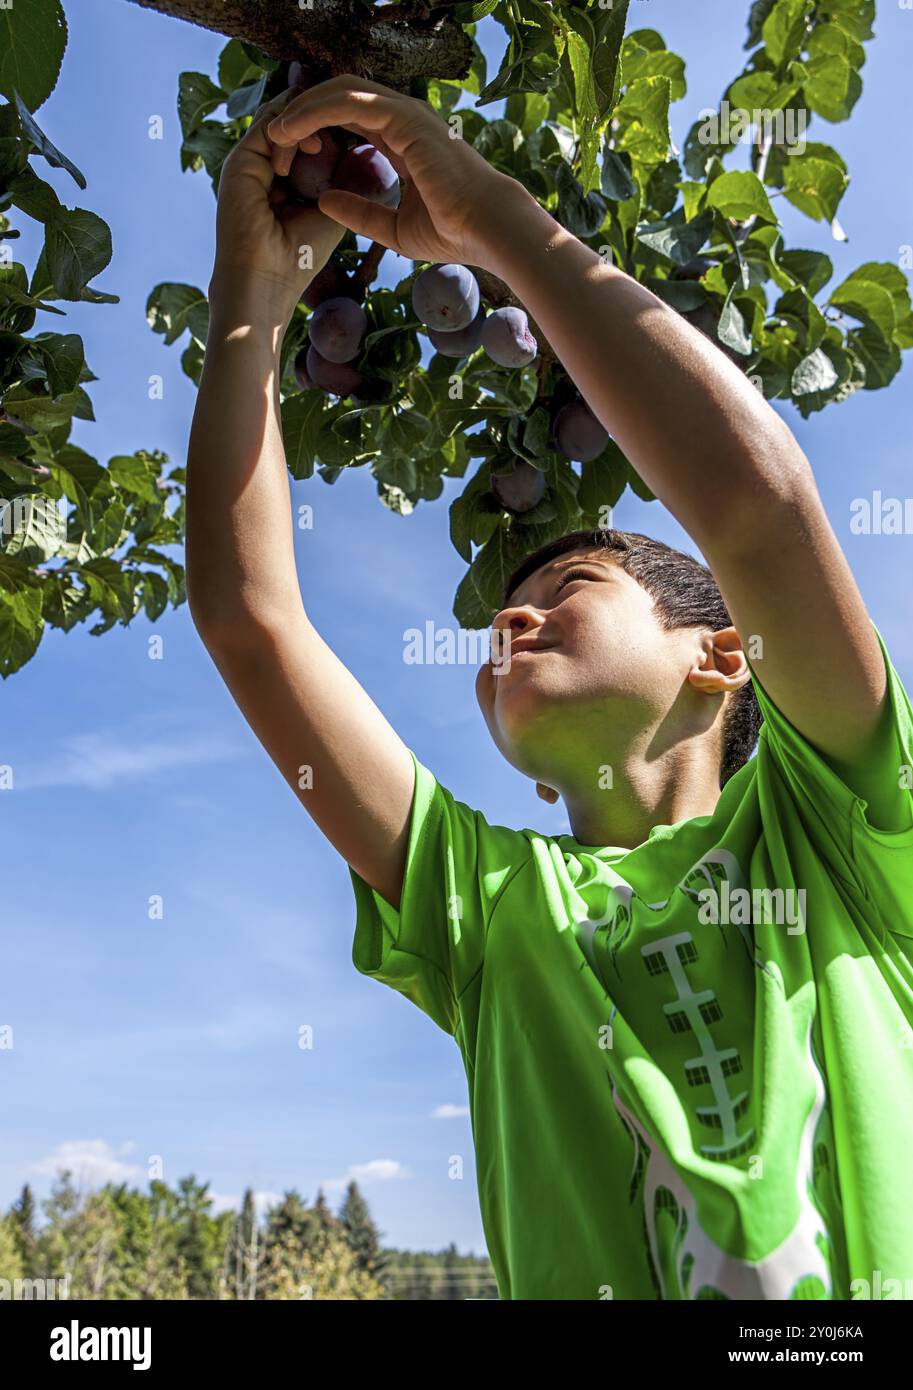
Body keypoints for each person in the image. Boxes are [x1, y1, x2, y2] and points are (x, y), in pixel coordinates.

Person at [185, 76, 913, 1300]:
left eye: (569, 584)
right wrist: (250, 296)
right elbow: (250, 620)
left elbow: (759, 509)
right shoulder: (485, 903)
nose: (508, 619)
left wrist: (489, 222)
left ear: (721, 656)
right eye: (500, 616)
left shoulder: (836, 831)